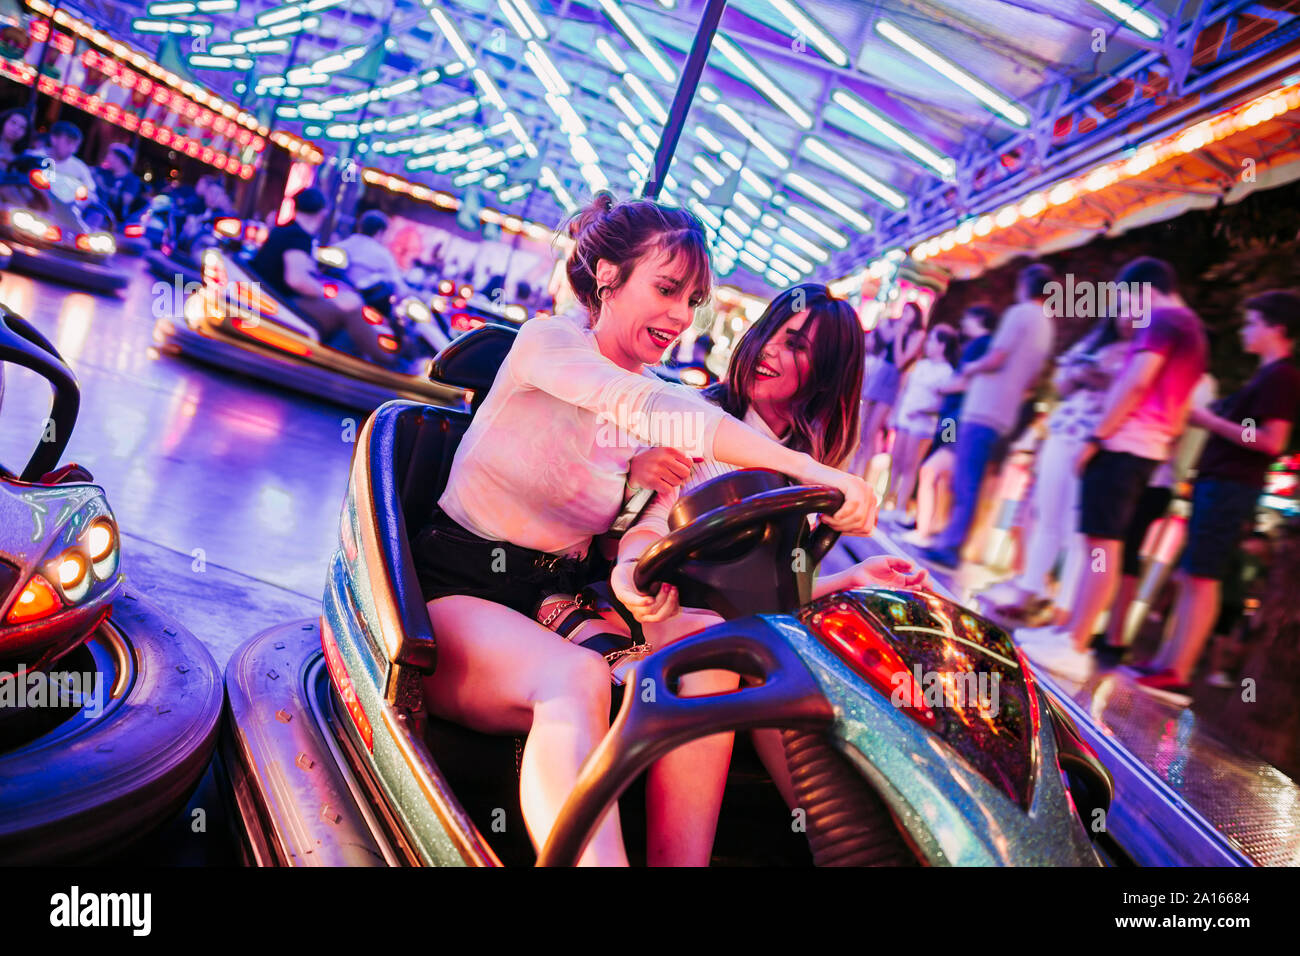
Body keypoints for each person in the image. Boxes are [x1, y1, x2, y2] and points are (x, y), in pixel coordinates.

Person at [413, 195, 876, 867]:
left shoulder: (655, 395)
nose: (681, 317)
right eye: (666, 289)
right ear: (606, 276)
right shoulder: (551, 345)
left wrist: (634, 572)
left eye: (693, 300)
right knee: (575, 681)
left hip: (562, 602)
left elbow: (653, 516)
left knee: (715, 650)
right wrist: (806, 468)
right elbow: (647, 406)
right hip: (461, 588)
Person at [612, 282, 923, 865]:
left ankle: (866, 848)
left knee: (814, 661)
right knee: (740, 662)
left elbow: (765, 595)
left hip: (739, 633)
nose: (772, 351)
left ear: (826, 376)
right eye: (775, 332)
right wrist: (633, 567)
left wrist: (850, 583)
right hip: (651, 620)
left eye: (798, 346)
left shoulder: (805, 465)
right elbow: (646, 529)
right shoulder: (698, 421)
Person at [1021, 257, 1209, 680]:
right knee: (1098, 545)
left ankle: (1077, 641)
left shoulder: (1165, 320)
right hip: (1142, 448)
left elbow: (1137, 381)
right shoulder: (1189, 327)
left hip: (1126, 445)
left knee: (1103, 546)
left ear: (1144, 289)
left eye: (1127, 299)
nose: (1126, 311)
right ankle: (1070, 632)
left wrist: (1098, 437)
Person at [1133, 290, 1300, 703]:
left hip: (1231, 486)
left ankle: (1179, 671)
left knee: (1202, 577)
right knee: (1193, 575)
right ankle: (1167, 665)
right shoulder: (1268, 375)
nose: (1246, 329)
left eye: (1253, 322)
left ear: (1276, 328)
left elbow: (1270, 440)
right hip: (1220, 484)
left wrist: (1208, 420)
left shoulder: (1282, 377)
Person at [981, 310, 1133, 621]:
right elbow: (1062, 384)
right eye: (1123, 306)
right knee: (1045, 517)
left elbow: (1130, 393)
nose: (1128, 315)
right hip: (1064, 431)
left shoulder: (1142, 351)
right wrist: (1082, 376)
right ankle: (1027, 593)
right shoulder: (1094, 342)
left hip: (1098, 441)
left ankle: (1063, 611)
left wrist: (1102, 379)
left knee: (1079, 533)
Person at [919, 263, 1056, 569]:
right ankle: (954, 541)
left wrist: (971, 369)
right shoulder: (1047, 325)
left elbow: (997, 357)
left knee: (966, 479)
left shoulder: (1020, 314)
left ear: (1025, 286)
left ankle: (950, 545)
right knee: (978, 481)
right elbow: (1033, 381)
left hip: (984, 407)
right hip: (1005, 414)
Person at [247, 187, 393, 365]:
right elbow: (297, 280)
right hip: (283, 301)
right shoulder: (298, 236)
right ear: (322, 213)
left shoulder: (284, 230)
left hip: (274, 294)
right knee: (351, 309)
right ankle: (387, 364)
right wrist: (332, 299)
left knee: (348, 304)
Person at [910, 304, 998, 544]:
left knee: (933, 469)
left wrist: (944, 387)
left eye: (968, 317)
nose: (963, 322)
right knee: (940, 473)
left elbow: (968, 381)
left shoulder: (980, 345)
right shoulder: (980, 346)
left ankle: (924, 530)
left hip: (956, 418)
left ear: (979, 319)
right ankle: (929, 525)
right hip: (954, 416)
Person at [881, 325, 959, 524]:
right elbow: (905, 389)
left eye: (932, 340)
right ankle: (885, 502)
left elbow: (942, 404)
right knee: (895, 460)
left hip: (923, 423)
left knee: (910, 465)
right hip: (905, 417)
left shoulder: (947, 372)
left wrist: (922, 411)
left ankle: (900, 507)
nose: (928, 344)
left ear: (942, 345)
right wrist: (896, 412)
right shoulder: (921, 365)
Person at [854, 302, 926, 473]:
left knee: (872, 431)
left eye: (909, 311)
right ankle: (853, 466)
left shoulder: (918, 334)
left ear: (916, 314)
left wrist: (900, 333)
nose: (905, 313)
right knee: (861, 427)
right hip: (880, 372)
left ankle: (864, 473)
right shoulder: (894, 326)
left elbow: (901, 361)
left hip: (893, 378)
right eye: (904, 310)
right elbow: (878, 343)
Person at [334, 210, 408, 299]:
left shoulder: (344, 245)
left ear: (360, 227)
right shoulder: (383, 254)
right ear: (380, 232)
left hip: (335, 294)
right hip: (362, 300)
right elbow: (398, 286)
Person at [45, 120, 96, 202]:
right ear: (54, 138)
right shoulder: (34, 156)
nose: (72, 149)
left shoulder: (80, 168)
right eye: (68, 142)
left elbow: (91, 193)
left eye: (76, 145)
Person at [97, 143, 143, 222]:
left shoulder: (132, 180)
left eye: (110, 155)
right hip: (96, 212)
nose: (107, 158)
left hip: (115, 222)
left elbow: (126, 200)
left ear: (119, 159)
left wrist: (102, 186)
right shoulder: (105, 173)